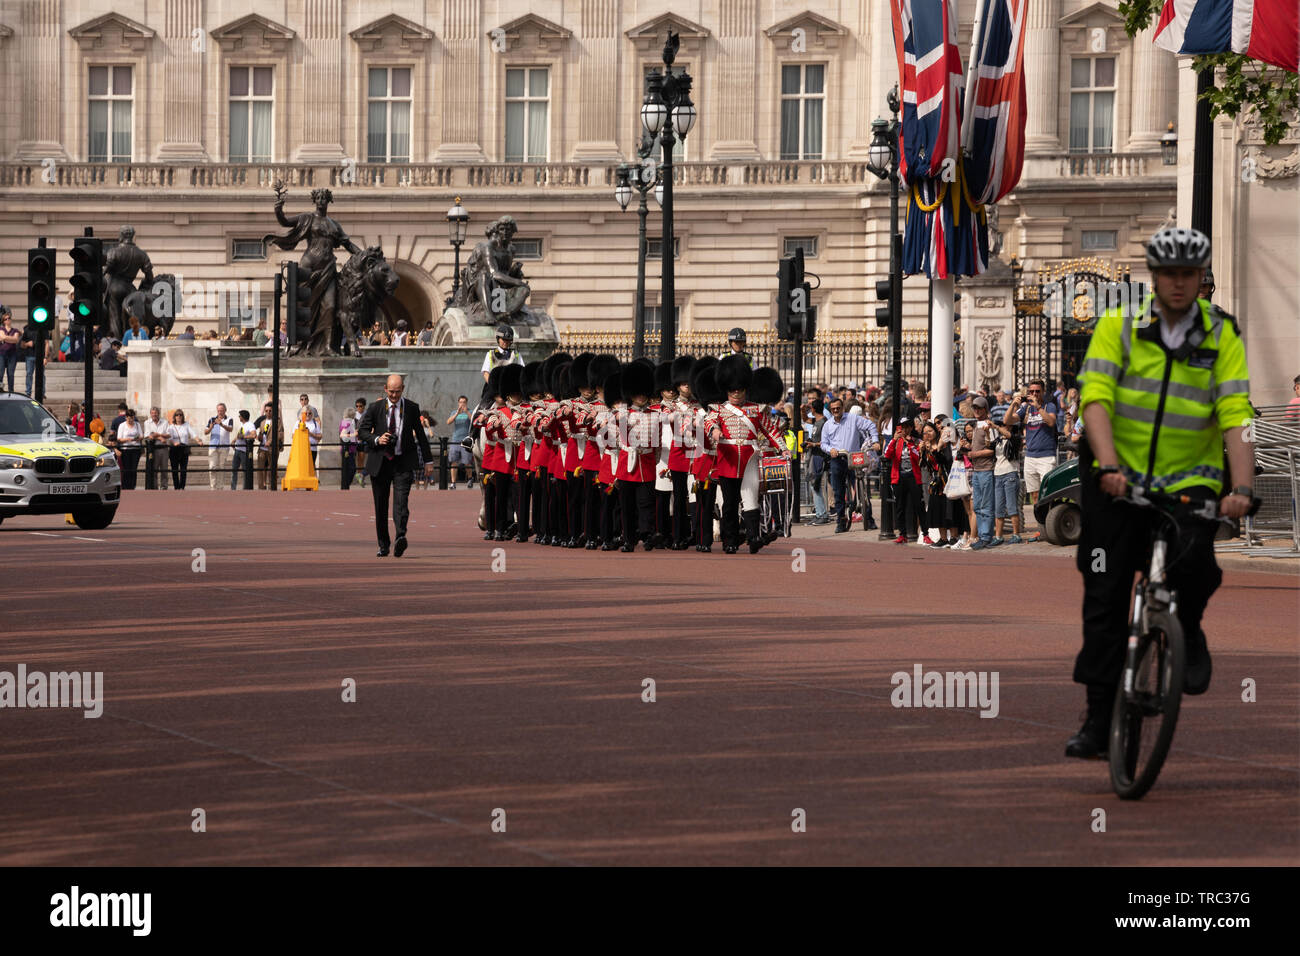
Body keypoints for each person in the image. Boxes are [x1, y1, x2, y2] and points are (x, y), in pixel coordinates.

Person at [1066, 226, 1255, 759]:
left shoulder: (1223, 334)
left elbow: (1237, 415)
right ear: (1154, 276)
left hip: (1188, 475)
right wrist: (1107, 465)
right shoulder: (1119, 325)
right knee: (1104, 593)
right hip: (1114, 474)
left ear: (1200, 279)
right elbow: (1096, 399)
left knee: (1196, 561)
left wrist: (1241, 486)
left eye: (1188, 274)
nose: (1178, 284)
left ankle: (1187, 625)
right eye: (1169, 274)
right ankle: (1100, 719)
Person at [705, 356, 786, 553]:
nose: (736, 392)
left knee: (750, 499)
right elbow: (709, 422)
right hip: (728, 460)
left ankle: (753, 537)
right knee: (729, 503)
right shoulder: (719, 409)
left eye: (739, 388)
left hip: (749, 459)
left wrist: (783, 448)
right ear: (727, 388)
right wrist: (714, 431)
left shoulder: (756, 409)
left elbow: (771, 430)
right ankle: (730, 540)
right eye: (732, 389)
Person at [358, 374, 434, 557]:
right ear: (385, 389)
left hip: (402, 461)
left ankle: (401, 536)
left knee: (401, 503)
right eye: (391, 391)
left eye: (397, 391)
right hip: (380, 462)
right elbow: (362, 431)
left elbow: (422, 436)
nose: (394, 395)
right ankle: (383, 544)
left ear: (403, 389)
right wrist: (377, 438)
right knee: (381, 506)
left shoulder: (412, 408)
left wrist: (428, 461)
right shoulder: (375, 408)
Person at [1006, 378, 1059, 538]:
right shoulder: (1025, 408)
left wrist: (1037, 406)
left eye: (1037, 391)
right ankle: (1041, 528)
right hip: (1030, 456)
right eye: (1031, 391)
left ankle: (1051, 527)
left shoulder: (1049, 406)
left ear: (1043, 392)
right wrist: (1013, 405)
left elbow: (1051, 422)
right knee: (1035, 495)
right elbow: (1007, 420)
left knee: (1048, 494)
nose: (1034, 394)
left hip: (1046, 456)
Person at [821, 395, 879, 533]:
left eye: (838, 408)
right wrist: (831, 450)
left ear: (843, 408)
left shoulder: (852, 419)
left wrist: (875, 440)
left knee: (861, 489)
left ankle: (869, 519)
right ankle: (841, 521)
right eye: (833, 409)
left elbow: (870, 425)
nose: (836, 411)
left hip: (854, 457)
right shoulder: (827, 425)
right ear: (830, 410)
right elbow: (823, 443)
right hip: (837, 459)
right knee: (838, 492)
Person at [991, 416, 1024, 545]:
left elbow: (1010, 437)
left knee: (1011, 507)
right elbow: (989, 446)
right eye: (1001, 425)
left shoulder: (1015, 439)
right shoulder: (998, 441)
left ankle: (1016, 534)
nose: (1001, 428)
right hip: (998, 474)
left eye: (1004, 425)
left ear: (1010, 427)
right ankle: (998, 536)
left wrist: (995, 426)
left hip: (1010, 473)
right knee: (998, 508)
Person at [803, 399, 830, 525]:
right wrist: (802, 410)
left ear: (813, 409)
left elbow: (827, 441)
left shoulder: (824, 422)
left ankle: (822, 514)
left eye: (810, 408)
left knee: (816, 485)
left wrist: (813, 444)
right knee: (814, 485)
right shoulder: (816, 421)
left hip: (819, 456)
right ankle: (820, 513)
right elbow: (805, 419)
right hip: (814, 455)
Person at [204, 403, 234, 489]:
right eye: (218, 410)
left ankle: (220, 487)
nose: (220, 412)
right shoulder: (212, 419)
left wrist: (221, 424)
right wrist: (210, 427)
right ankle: (213, 487)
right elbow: (205, 432)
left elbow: (230, 429)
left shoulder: (229, 419)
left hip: (224, 447)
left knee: (222, 467)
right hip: (213, 446)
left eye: (221, 410)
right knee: (212, 467)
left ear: (225, 410)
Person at [446, 395, 473, 489]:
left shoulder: (470, 411)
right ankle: (453, 482)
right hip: (455, 439)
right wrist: (457, 413)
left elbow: (473, 421)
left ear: (466, 403)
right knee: (453, 461)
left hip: (466, 440)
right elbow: (448, 422)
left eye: (464, 402)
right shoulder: (454, 412)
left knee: (467, 462)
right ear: (458, 403)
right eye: (461, 402)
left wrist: (466, 412)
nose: (462, 404)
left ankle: (470, 479)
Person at [143, 406, 171, 489]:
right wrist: (160, 438)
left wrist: (157, 435)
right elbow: (148, 435)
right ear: (150, 414)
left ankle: (164, 487)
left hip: (164, 449)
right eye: (152, 413)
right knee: (154, 470)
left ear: (158, 413)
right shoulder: (147, 422)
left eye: (155, 413)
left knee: (164, 470)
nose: (154, 414)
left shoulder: (165, 422)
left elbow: (168, 434)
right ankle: (154, 488)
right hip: (153, 449)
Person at [167, 410, 195, 489]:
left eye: (180, 415)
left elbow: (192, 433)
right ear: (174, 417)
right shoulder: (171, 426)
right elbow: (169, 437)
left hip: (184, 448)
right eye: (177, 415)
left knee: (183, 469)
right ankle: (176, 486)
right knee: (174, 469)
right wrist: (174, 442)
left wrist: (198, 439)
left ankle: (182, 486)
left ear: (182, 416)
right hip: (174, 449)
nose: (179, 416)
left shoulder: (186, 425)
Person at [116, 409, 144, 490]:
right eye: (129, 418)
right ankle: (126, 486)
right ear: (126, 417)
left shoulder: (137, 424)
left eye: (132, 417)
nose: (130, 419)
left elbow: (141, 436)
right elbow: (119, 438)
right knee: (126, 468)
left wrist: (137, 439)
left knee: (133, 468)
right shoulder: (122, 425)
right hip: (125, 449)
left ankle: (132, 486)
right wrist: (127, 439)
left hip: (135, 449)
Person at [231, 410, 257, 489]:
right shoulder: (242, 425)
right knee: (234, 469)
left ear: (243, 416)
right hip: (237, 449)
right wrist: (233, 441)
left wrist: (244, 437)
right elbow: (239, 435)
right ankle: (233, 488)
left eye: (240, 416)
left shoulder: (250, 425)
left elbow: (254, 435)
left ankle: (245, 488)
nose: (239, 417)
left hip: (244, 451)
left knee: (245, 470)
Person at [0, 308, 19, 391]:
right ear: (3, 321)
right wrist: (9, 338)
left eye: (9, 318)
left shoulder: (15, 330)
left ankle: (11, 391)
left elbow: (16, 340)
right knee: (0, 373)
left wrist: (5, 338)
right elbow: (3, 336)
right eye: (6, 319)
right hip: (2, 354)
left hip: (12, 355)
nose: (8, 320)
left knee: (10, 374)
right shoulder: (1, 329)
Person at [339, 412, 359, 490]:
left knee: (347, 469)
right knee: (351, 468)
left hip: (349, 449)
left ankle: (345, 485)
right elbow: (343, 435)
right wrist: (354, 434)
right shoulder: (347, 423)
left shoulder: (344, 422)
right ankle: (346, 484)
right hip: (348, 449)